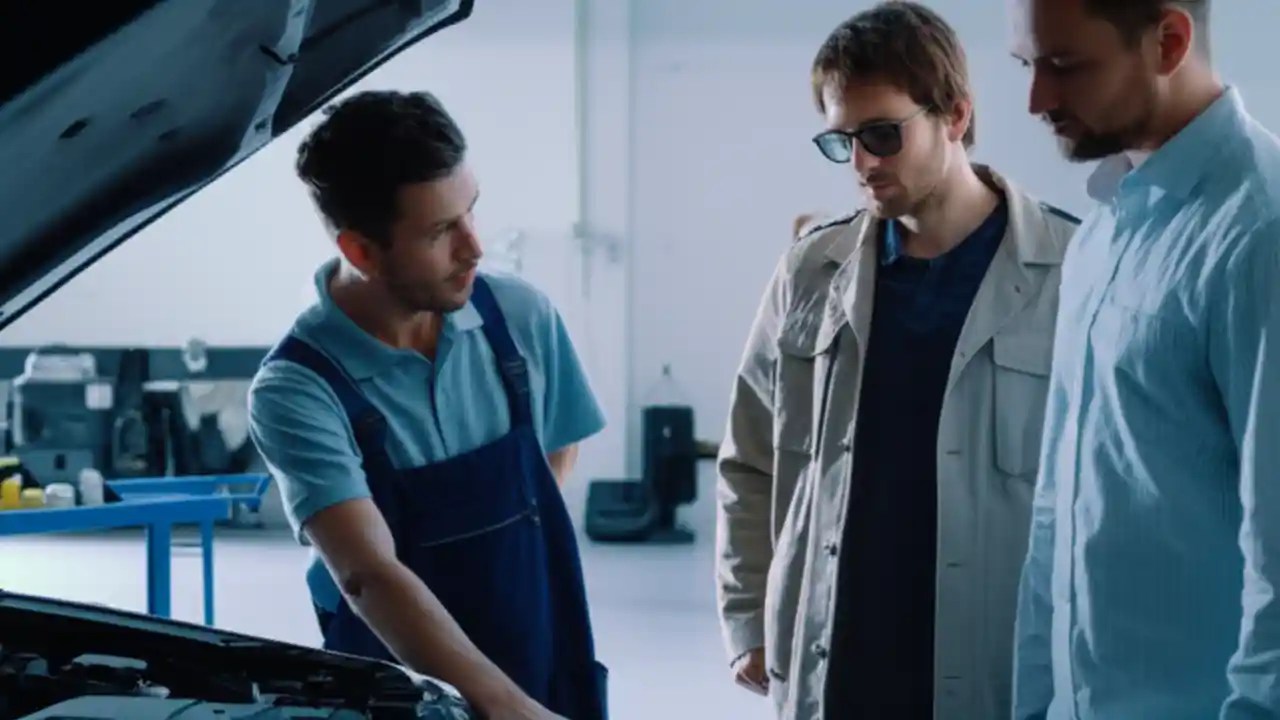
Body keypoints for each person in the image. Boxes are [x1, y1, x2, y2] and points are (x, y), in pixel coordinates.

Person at [714, 3, 1080, 719]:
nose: (862, 163)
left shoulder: (1070, 270)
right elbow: (750, 459)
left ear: (956, 116)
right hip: (836, 652)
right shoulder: (809, 272)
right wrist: (748, 619)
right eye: (841, 141)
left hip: (993, 661)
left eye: (883, 134)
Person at [247, 90, 608, 720]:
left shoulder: (520, 316)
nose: (474, 247)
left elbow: (558, 446)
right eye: (442, 230)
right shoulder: (298, 389)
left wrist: (511, 569)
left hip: (540, 651)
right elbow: (368, 573)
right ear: (361, 251)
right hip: (393, 681)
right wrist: (504, 705)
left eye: (471, 212)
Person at [1008, 1, 1280, 718]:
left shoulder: (1262, 234)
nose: (1037, 100)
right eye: (1027, 65)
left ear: (1169, 41)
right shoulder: (1100, 235)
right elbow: (1057, 508)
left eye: (1064, 66)